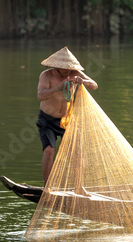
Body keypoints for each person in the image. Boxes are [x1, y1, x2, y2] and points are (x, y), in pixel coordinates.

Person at [36, 47, 98, 181]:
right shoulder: (46, 75)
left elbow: (94, 85)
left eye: (69, 68)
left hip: (67, 120)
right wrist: (58, 87)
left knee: (77, 152)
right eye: (64, 69)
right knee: (49, 151)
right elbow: (40, 96)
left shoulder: (74, 73)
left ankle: (79, 188)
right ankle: (48, 187)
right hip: (47, 120)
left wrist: (83, 81)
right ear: (56, 67)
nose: (67, 72)